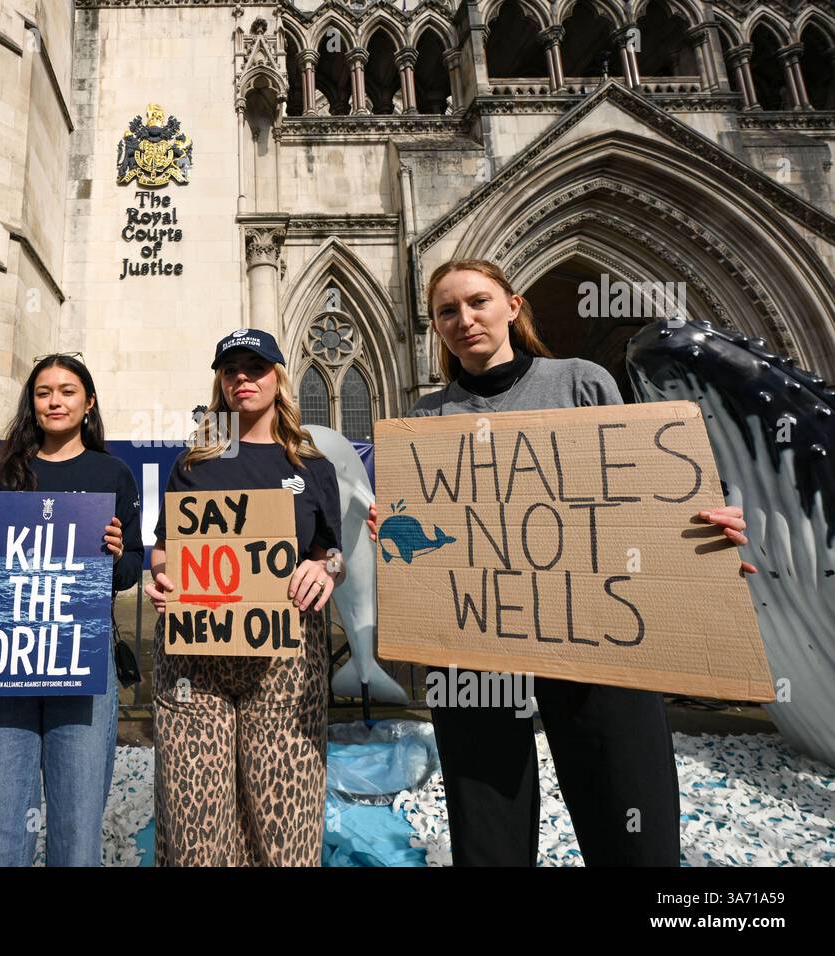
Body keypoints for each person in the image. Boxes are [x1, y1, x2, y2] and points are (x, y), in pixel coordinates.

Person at [368, 258, 757, 866]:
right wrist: (391, 532)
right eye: (448, 311)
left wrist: (701, 531)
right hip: (478, 632)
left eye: (478, 302)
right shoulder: (425, 422)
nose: (464, 319)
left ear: (513, 307)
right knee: (485, 817)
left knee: (627, 803)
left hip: (596, 624)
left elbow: (641, 492)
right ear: (435, 328)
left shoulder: (581, 382)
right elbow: (419, 536)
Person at [144, 329, 345, 866]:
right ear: (220, 382)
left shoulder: (312, 466)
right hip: (195, 659)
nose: (242, 378)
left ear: (278, 377)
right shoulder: (193, 463)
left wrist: (323, 572)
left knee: (284, 814)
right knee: (195, 819)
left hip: (286, 658)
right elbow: (164, 546)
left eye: (255, 367)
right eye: (230, 369)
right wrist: (162, 578)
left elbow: (335, 556)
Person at [0, 354, 143, 866]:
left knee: (78, 811)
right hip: (9, 655)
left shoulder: (113, 473)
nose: (54, 401)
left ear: (89, 403)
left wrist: (116, 552)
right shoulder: (2, 473)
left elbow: (129, 572)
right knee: (1, 807)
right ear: (32, 404)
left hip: (82, 654)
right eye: (43, 392)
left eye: (66, 391)